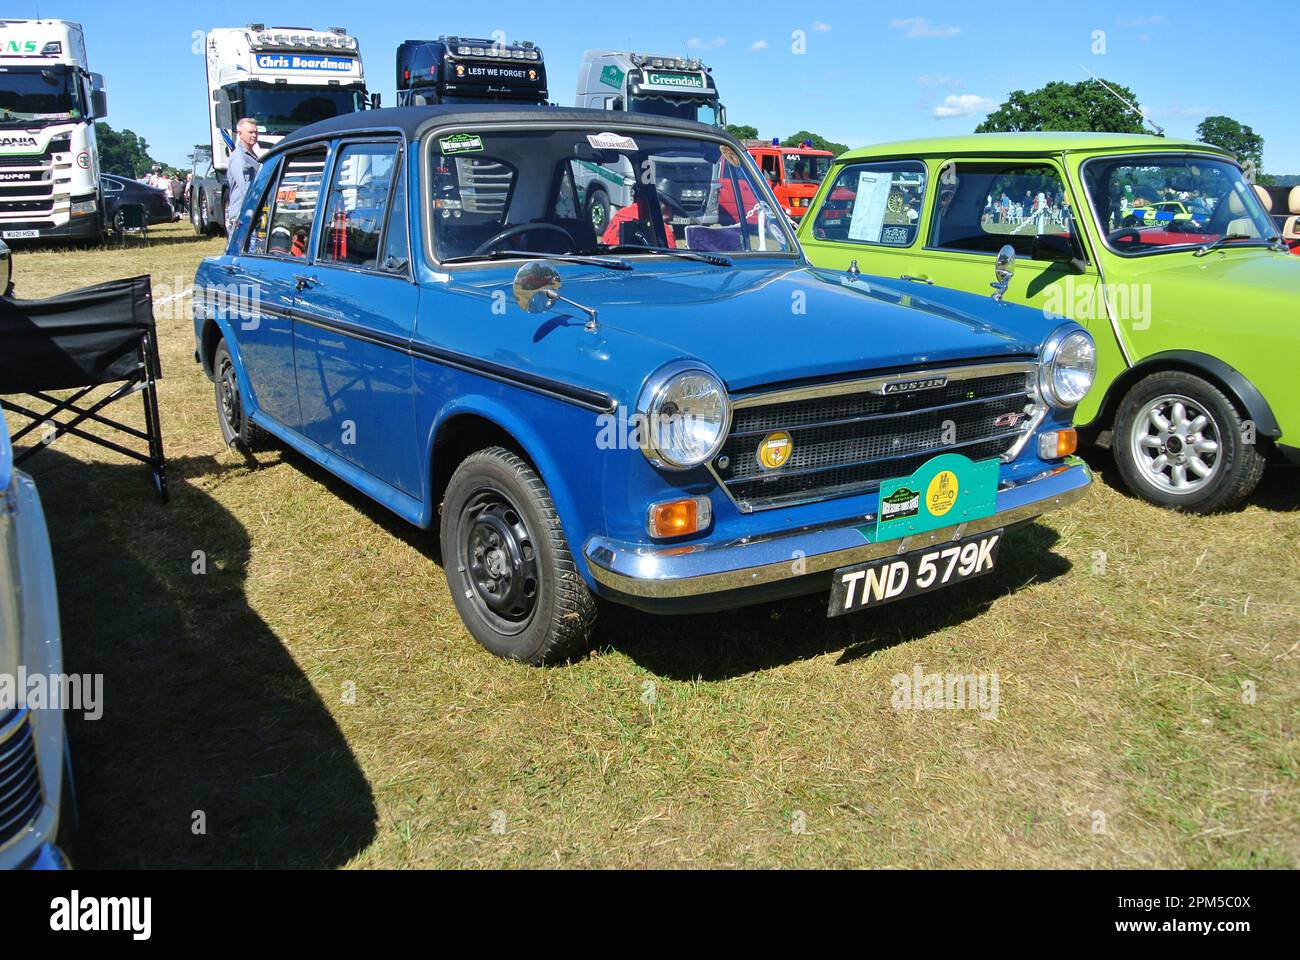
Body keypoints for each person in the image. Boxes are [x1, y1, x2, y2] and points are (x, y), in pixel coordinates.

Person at [225, 117, 262, 235]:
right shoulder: (239, 157)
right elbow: (246, 188)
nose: (254, 135)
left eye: (256, 132)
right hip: (242, 215)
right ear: (240, 134)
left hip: (250, 213)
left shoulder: (252, 155)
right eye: (251, 132)